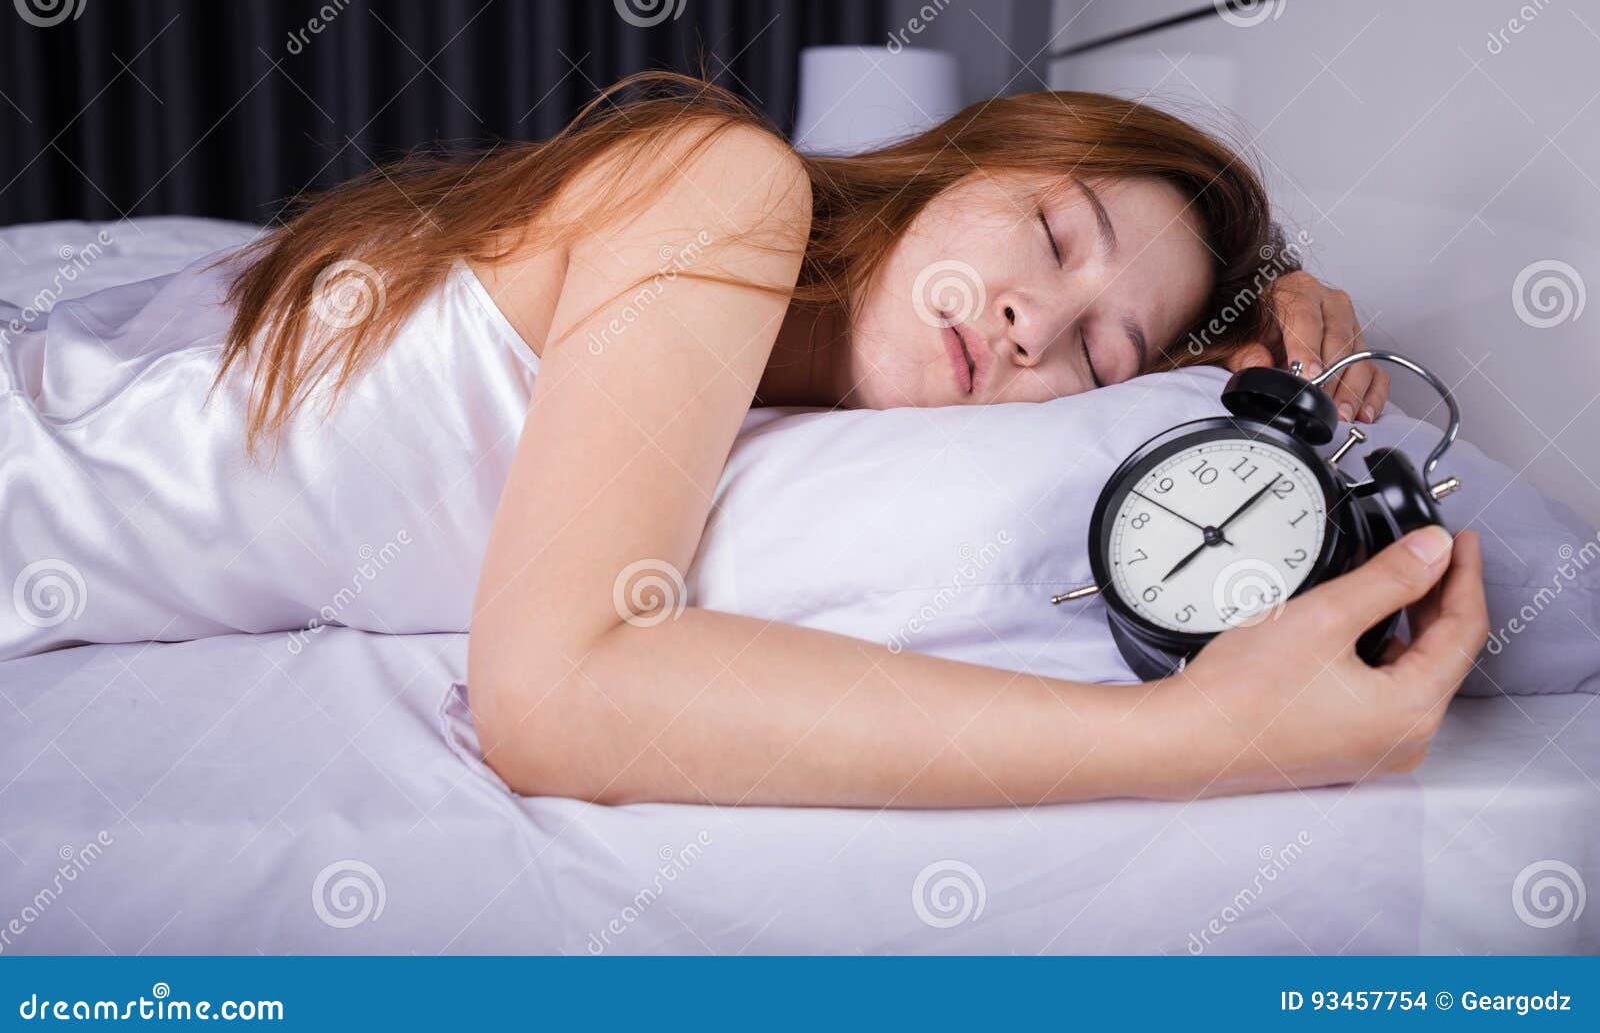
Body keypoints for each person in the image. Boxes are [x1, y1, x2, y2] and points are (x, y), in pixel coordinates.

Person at [42, 73, 1497, 805]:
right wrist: (1184, 736)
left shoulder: (779, 409)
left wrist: (1264, 321)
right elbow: (554, 698)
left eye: (1100, 356)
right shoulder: (724, 186)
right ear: (960, 160)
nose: (1026, 323)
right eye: (1053, 232)